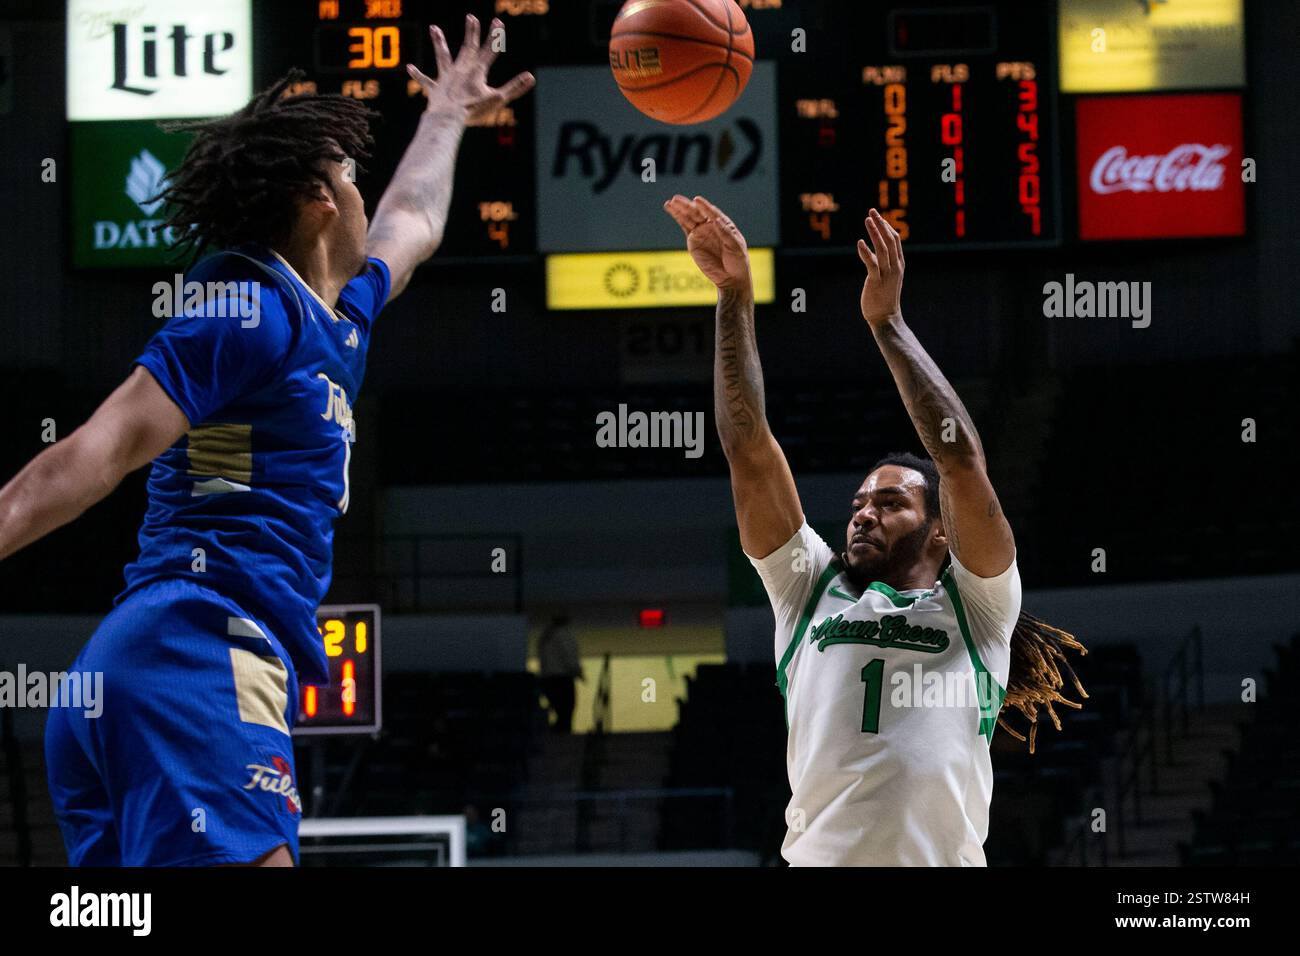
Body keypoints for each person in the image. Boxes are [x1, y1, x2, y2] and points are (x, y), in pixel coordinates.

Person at [0, 15, 533, 866]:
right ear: (320, 201)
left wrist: (446, 117)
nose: (365, 190)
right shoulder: (245, 307)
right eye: (351, 174)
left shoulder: (338, 311)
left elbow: (415, 220)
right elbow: (99, 450)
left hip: (138, 677)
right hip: (197, 652)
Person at [663, 195, 1085, 866]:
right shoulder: (809, 590)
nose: (864, 511)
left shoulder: (975, 607)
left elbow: (959, 459)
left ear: (940, 533)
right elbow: (748, 448)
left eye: (891, 503)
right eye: (861, 500)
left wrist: (887, 323)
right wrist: (734, 295)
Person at [537, 614, 583, 733]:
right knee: (566, 710)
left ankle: (557, 733)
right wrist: (577, 671)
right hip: (562, 679)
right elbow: (569, 657)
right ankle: (563, 736)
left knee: (560, 711)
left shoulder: (546, 637)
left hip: (547, 679)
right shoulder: (564, 635)